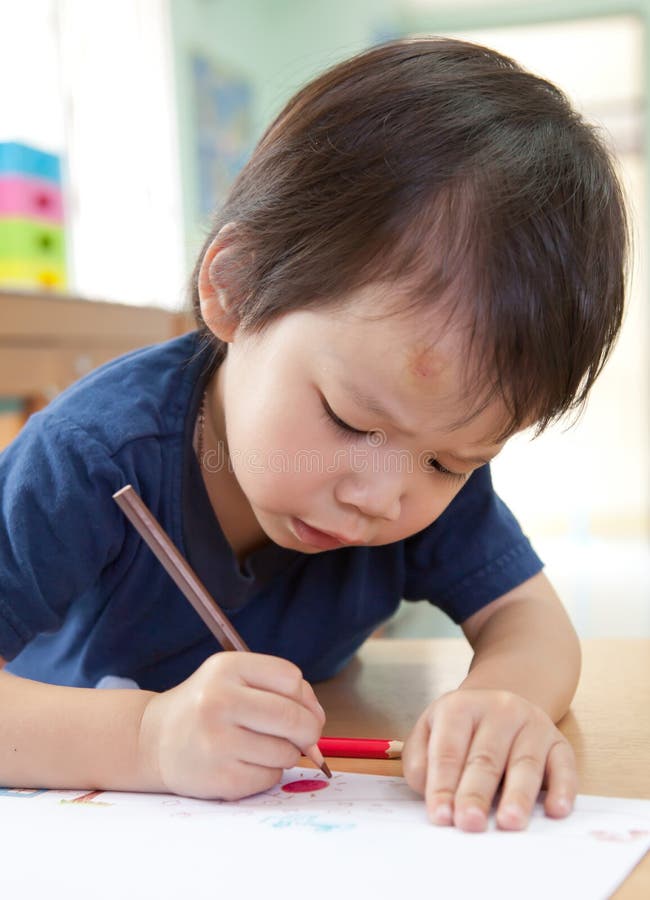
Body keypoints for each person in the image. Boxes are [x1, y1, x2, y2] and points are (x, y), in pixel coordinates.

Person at [0, 38, 627, 833]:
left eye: (449, 461)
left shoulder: (421, 466)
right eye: (352, 421)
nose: (381, 496)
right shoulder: (90, 457)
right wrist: (148, 740)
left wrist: (502, 698)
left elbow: (530, 620)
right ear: (236, 288)